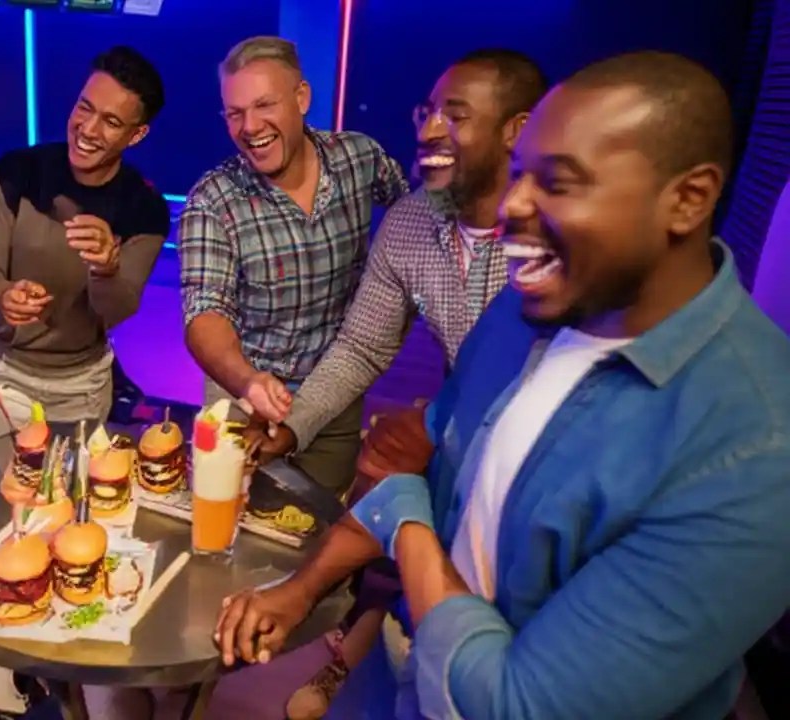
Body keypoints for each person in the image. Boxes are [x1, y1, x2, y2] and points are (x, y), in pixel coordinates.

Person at [214, 51, 790, 719]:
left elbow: (515, 704)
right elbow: (420, 453)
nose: (515, 204)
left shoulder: (757, 449)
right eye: (521, 178)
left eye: (560, 182)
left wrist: (408, 523)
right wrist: (303, 585)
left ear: (687, 199)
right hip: (406, 676)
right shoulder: (524, 309)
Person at [256, 50, 547, 720]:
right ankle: (388, 657)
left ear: (516, 130)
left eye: (456, 114)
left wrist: (441, 425)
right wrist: (292, 421)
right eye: (426, 111)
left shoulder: (554, 239)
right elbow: (361, 345)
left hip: (532, 466)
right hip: (453, 444)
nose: (428, 129)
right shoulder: (412, 221)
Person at [178, 35, 408, 496]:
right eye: (235, 113)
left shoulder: (359, 159)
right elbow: (205, 312)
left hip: (333, 399)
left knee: (315, 540)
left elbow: (414, 214)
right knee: (229, 541)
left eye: (264, 105)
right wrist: (248, 382)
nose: (249, 126)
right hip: (243, 405)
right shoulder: (212, 199)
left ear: (302, 99)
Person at [0, 45, 170, 440]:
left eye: (110, 121)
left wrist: (106, 269)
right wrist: (1, 294)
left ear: (137, 134)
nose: (88, 129)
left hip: (81, 387)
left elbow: (115, 311)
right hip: (0, 375)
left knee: (74, 499)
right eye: (84, 107)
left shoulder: (144, 208)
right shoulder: (16, 172)